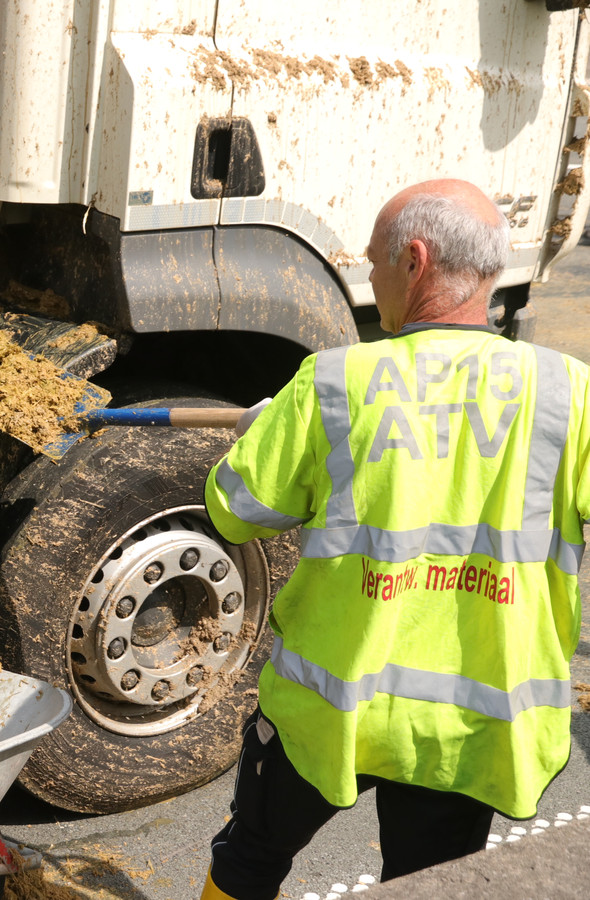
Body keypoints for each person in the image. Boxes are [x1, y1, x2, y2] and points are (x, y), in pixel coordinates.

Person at [198, 179, 590, 900]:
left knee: (249, 859)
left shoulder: (334, 382)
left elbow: (235, 509)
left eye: (374, 259)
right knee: (421, 886)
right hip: (467, 725)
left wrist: (263, 433)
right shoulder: (568, 390)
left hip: (329, 709)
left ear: (415, 261)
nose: (370, 274)